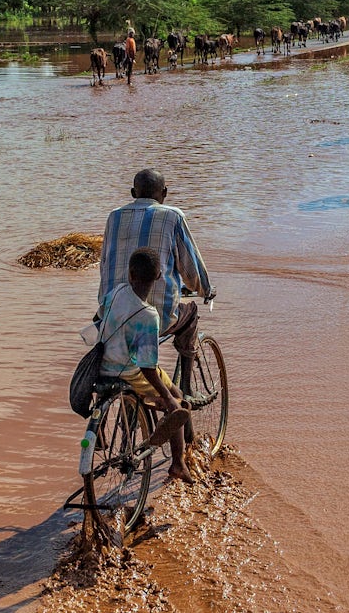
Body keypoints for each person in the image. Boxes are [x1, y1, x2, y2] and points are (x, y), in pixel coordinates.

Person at [99, 169, 214, 382]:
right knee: (191, 314)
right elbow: (190, 268)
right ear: (165, 193)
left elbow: (104, 264)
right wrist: (205, 289)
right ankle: (186, 390)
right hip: (156, 316)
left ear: (134, 192)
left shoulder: (114, 216)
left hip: (111, 313)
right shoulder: (172, 216)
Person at [99, 246, 195, 483]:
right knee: (177, 399)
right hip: (129, 372)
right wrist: (169, 398)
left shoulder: (116, 293)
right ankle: (178, 464)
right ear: (158, 277)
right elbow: (147, 366)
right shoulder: (148, 315)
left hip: (103, 365)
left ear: (130, 274)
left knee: (168, 395)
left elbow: (100, 317)